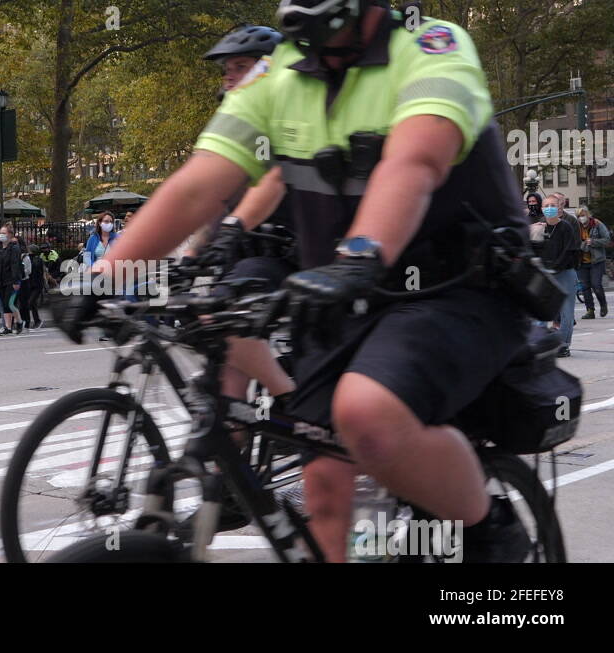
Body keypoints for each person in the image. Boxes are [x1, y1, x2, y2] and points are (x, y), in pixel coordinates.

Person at [60, 0, 537, 562]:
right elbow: (196, 186)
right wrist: (99, 277)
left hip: (456, 292)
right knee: (326, 490)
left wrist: (360, 254)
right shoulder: (280, 76)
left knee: (366, 415)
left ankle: (489, 532)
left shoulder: (432, 47)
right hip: (341, 302)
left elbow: (414, 162)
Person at [535, 195, 578, 356]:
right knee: (539, 310)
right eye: (546, 205)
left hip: (564, 273)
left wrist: (554, 267)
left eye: (553, 205)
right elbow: (532, 249)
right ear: (542, 208)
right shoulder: (539, 227)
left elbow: (569, 251)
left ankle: (563, 345)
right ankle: (539, 342)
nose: (549, 208)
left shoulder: (566, 227)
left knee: (566, 312)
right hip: (545, 275)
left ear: (559, 208)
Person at [576, 205, 609, 320]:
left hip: (596, 260)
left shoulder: (597, 224)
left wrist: (593, 242)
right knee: (585, 287)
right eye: (579, 216)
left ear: (588, 215)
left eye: (583, 215)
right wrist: (581, 244)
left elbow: (607, 239)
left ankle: (603, 304)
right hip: (582, 261)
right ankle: (590, 310)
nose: (581, 218)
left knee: (596, 285)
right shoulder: (576, 226)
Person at [0, 222, 23, 335]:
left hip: (11, 280)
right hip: (1, 280)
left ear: (10, 234)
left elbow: (15, 265)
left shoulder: (14, 248)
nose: (1, 235)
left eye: (3, 233)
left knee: (10, 303)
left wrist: (15, 281)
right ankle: (8, 327)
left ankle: (19, 322)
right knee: (5, 305)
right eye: (0, 233)